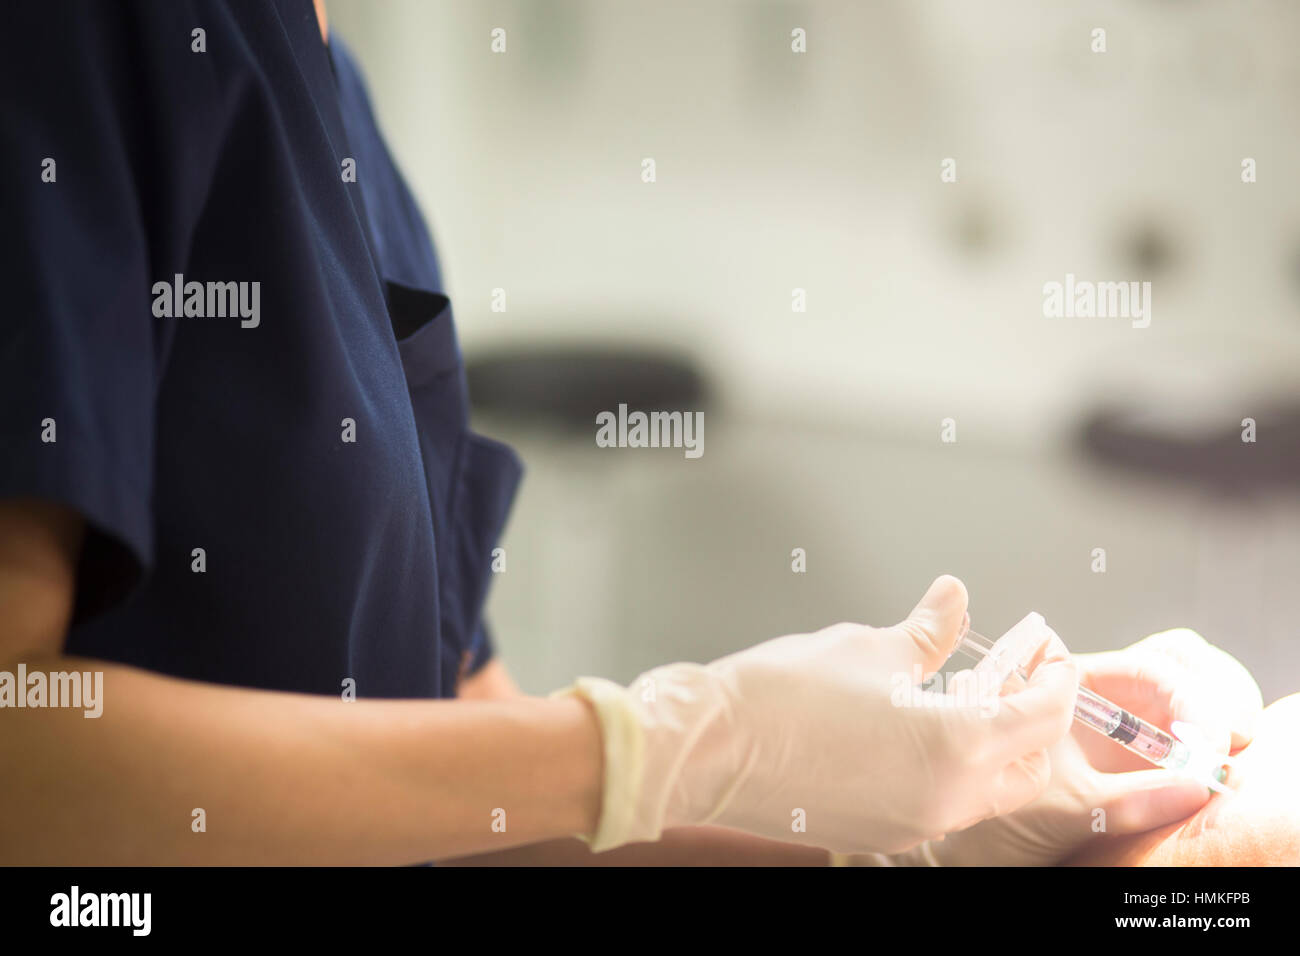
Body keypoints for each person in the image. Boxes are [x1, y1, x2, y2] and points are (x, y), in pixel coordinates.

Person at [0, 0, 1259, 865]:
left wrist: (915, 826)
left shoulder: (335, 108)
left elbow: (467, 786)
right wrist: (665, 743)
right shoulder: (90, 37)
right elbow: (20, 744)